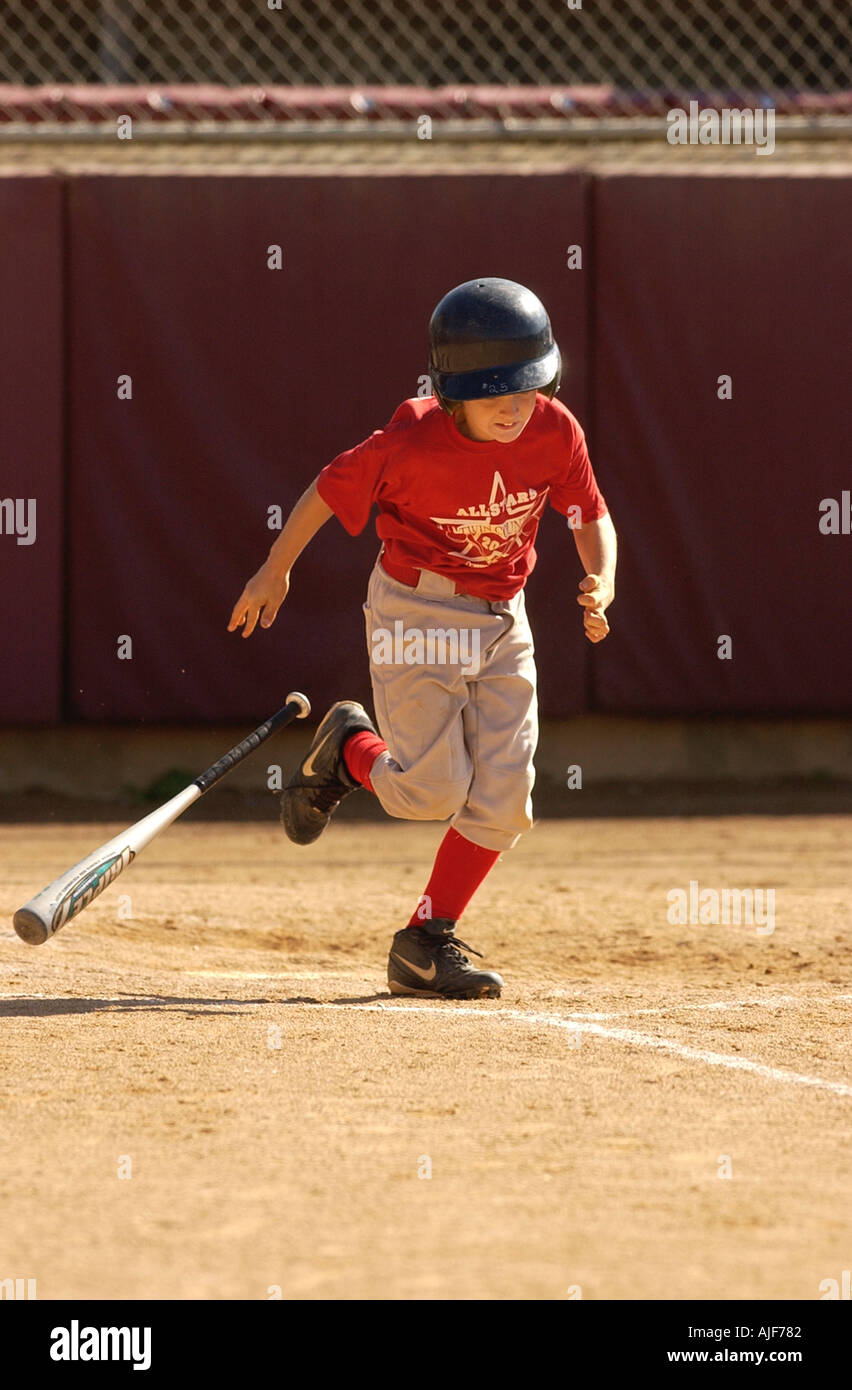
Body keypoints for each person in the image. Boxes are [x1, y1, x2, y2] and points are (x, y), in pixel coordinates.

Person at [228, 277, 616, 999]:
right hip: (418, 611)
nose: (515, 407)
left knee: (507, 798)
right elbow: (326, 490)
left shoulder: (554, 429)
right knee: (429, 794)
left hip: (504, 615)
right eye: (495, 392)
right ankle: (350, 746)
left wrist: (603, 577)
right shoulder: (409, 440)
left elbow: (589, 512)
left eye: (528, 388)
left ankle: (423, 940)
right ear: (450, 392)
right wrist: (273, 571)